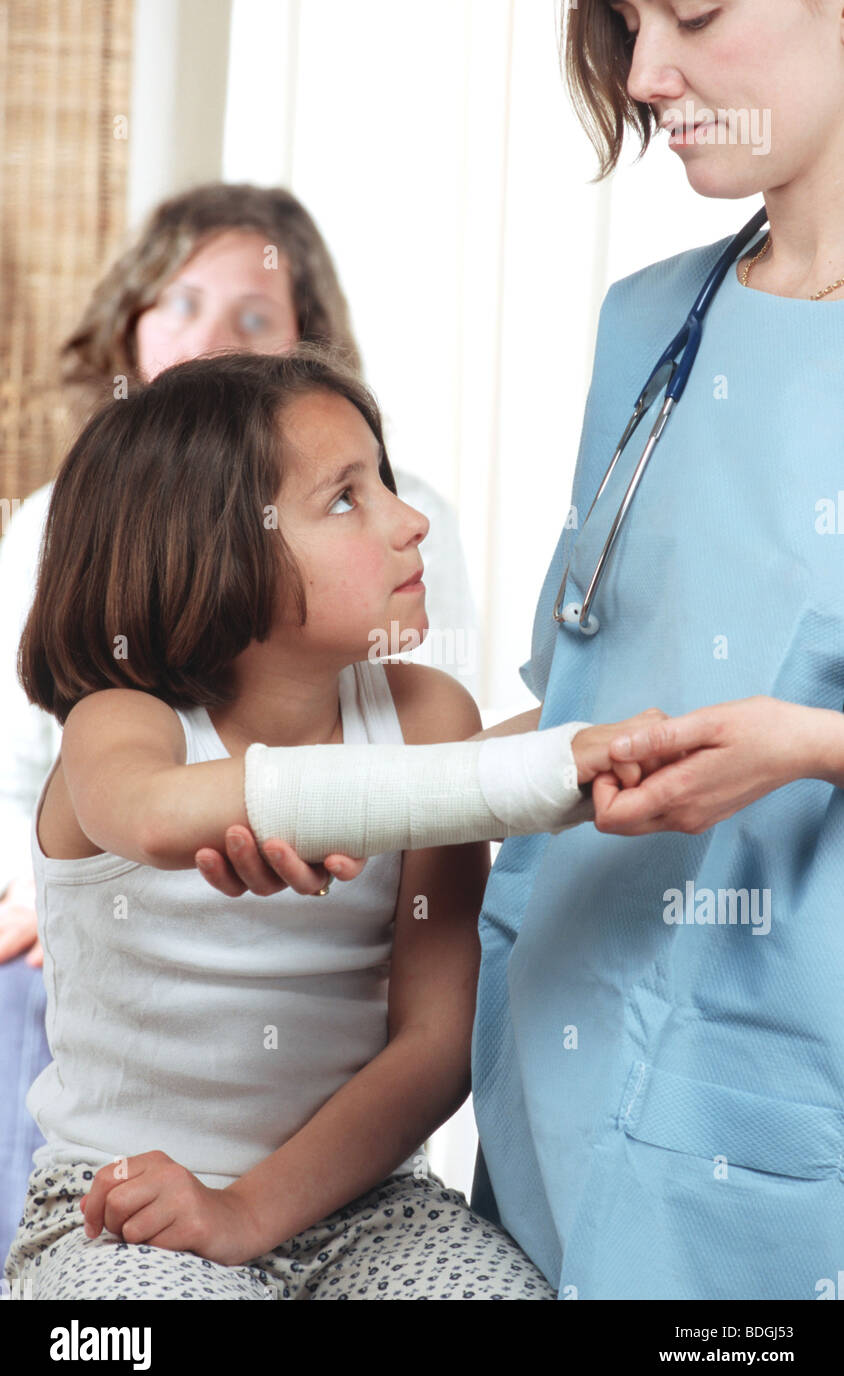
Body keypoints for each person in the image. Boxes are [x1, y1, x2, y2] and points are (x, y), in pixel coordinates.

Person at [191, 0, 844, 1301]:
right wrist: (342, 801)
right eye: (626, 23)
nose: (647, 74)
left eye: (696, 15)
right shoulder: (653, 327)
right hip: (551, 1072)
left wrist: (810, 745)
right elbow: (580, 704)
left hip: (773, 1105)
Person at [3, 350, 555, 1299]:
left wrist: (250, 1211)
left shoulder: (428, 717)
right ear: (211, 549)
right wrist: (428, 787)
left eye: (383, 477)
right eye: (346, 499)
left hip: (370, 1204)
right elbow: (156, 812)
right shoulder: (121, 720)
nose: (408, 518)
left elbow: (436, 1039)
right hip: (121, 1208)